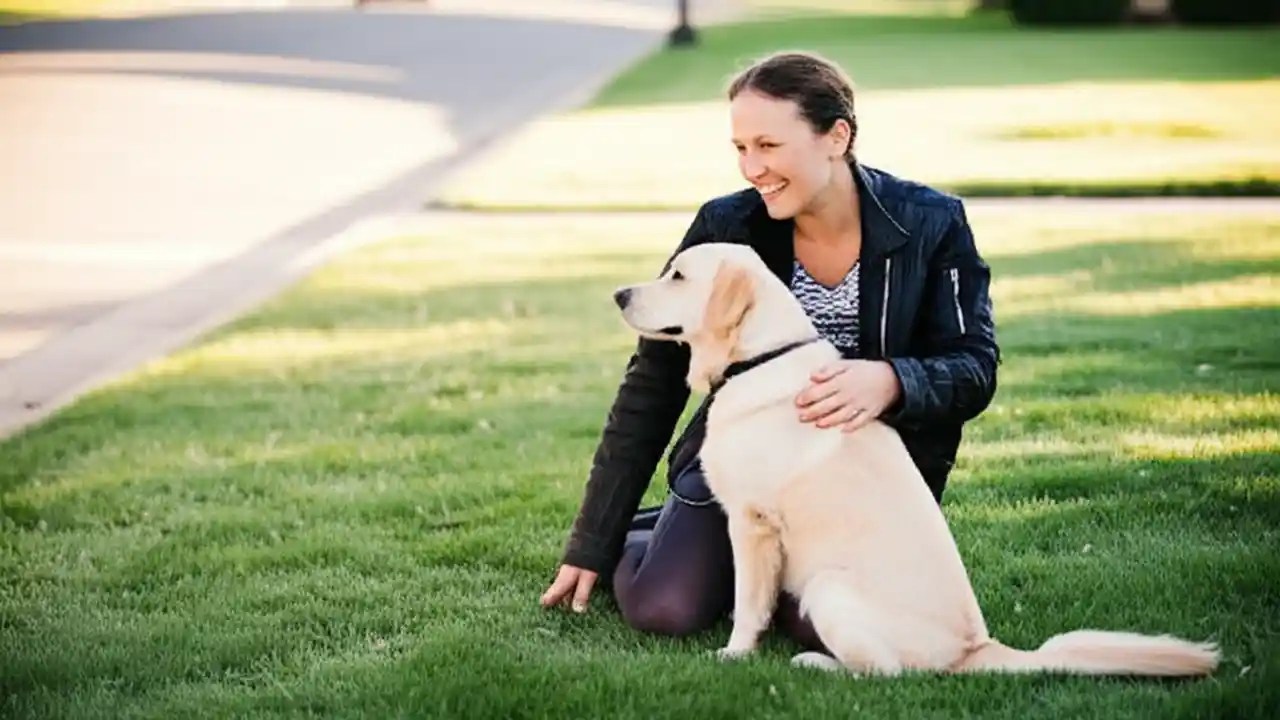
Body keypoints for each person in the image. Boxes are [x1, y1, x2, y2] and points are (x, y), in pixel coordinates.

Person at [540, 51, 1000, 653]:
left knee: (819, 626)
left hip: (857, 494)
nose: (752, 167)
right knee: (667, 606)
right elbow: (652, 384)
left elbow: (974, 365)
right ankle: (651, 530)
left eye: (768, 145)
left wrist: (892, 380)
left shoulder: (933, 223)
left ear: (837, 136)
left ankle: (703, 545)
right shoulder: (727, 226)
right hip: (747, 469)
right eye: (740, 148)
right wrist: (591, 543)